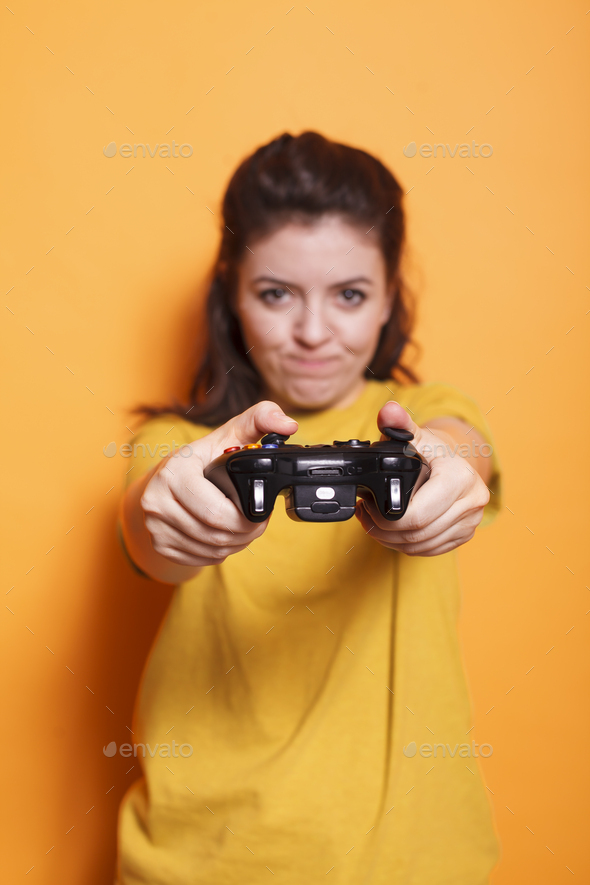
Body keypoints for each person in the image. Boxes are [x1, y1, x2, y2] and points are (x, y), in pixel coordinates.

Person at [115, 131, 501, 884]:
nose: (315, 333)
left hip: (416, 862)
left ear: (392, 295)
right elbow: (150, 524)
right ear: (232, 293)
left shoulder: (430, 411)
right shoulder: (173, 442)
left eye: (350, 294)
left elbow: (464, 444)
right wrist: (186, 516)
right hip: (203, 864)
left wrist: (445, 468)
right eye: (276, 293)